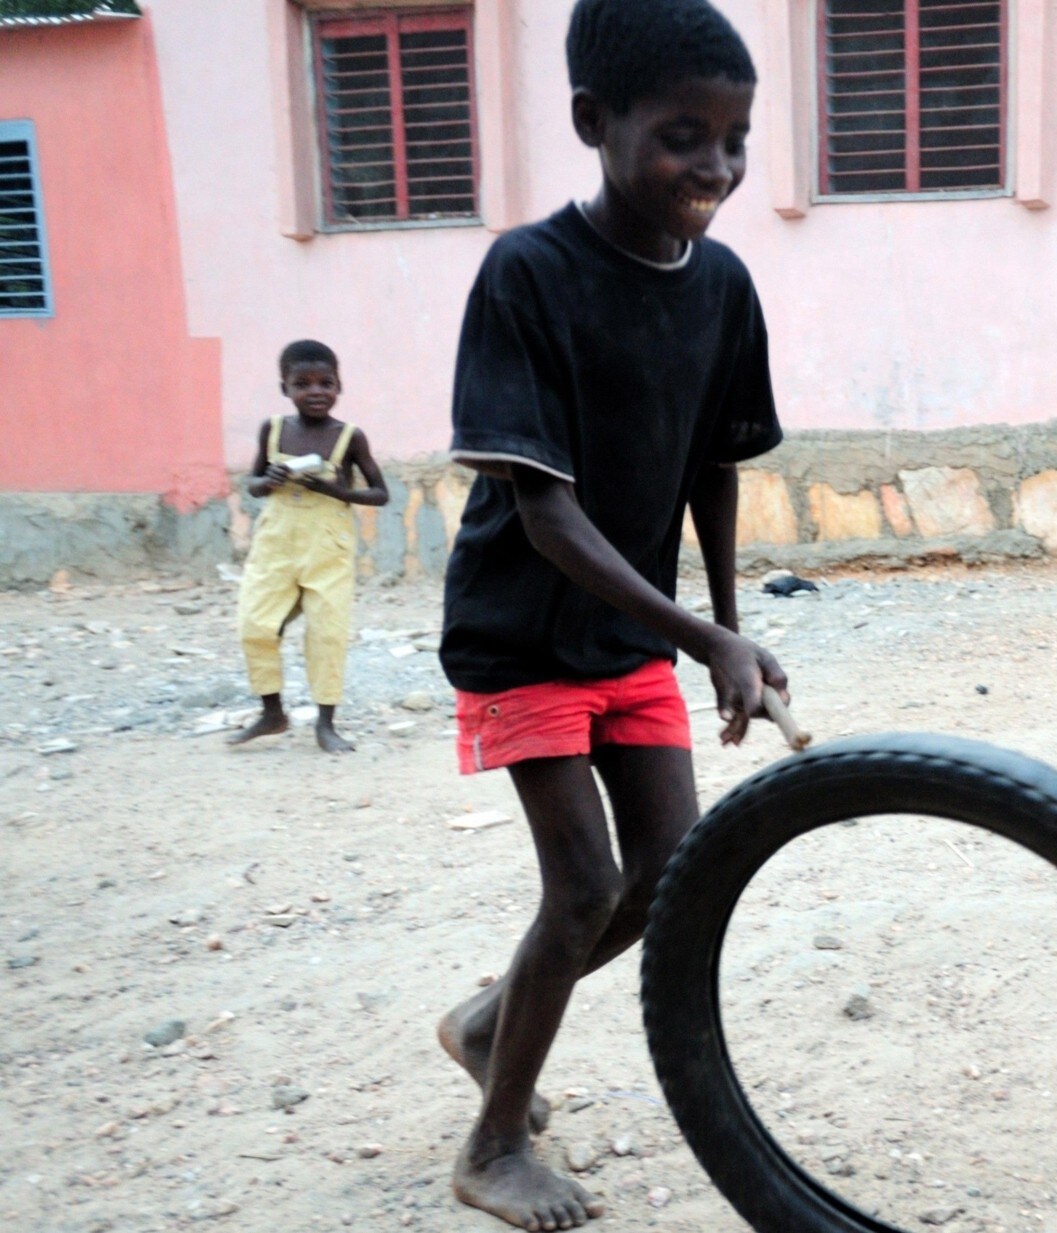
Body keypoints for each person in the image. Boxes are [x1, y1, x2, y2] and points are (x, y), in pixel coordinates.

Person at [431, 2, 786, 1227]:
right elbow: (543, 509)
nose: (717, 168)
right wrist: (704, 638)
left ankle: (488, 1022)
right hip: (522, 629)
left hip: (633, 631)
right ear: (595, 123)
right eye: (685, 136)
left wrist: (728, 633)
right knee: (583, 885)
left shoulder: (723, 285)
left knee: (667, 879)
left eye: (737, 138)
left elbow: (713, 465)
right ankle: (491, 1147)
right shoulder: (528, 273)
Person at [232, 339, 388, 754]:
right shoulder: (274, 430)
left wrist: (337, 489)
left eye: (326, 382)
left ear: (340, 386)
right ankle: (272, 712)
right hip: (276, 542)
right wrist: (270, 480)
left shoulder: (349, 438)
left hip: (327, 547)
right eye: (303, 384)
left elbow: (381, 493)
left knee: (327, 633)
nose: (316, 391)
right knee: (256, 625)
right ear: (285, 388)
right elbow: (253, 483)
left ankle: (326, 723)